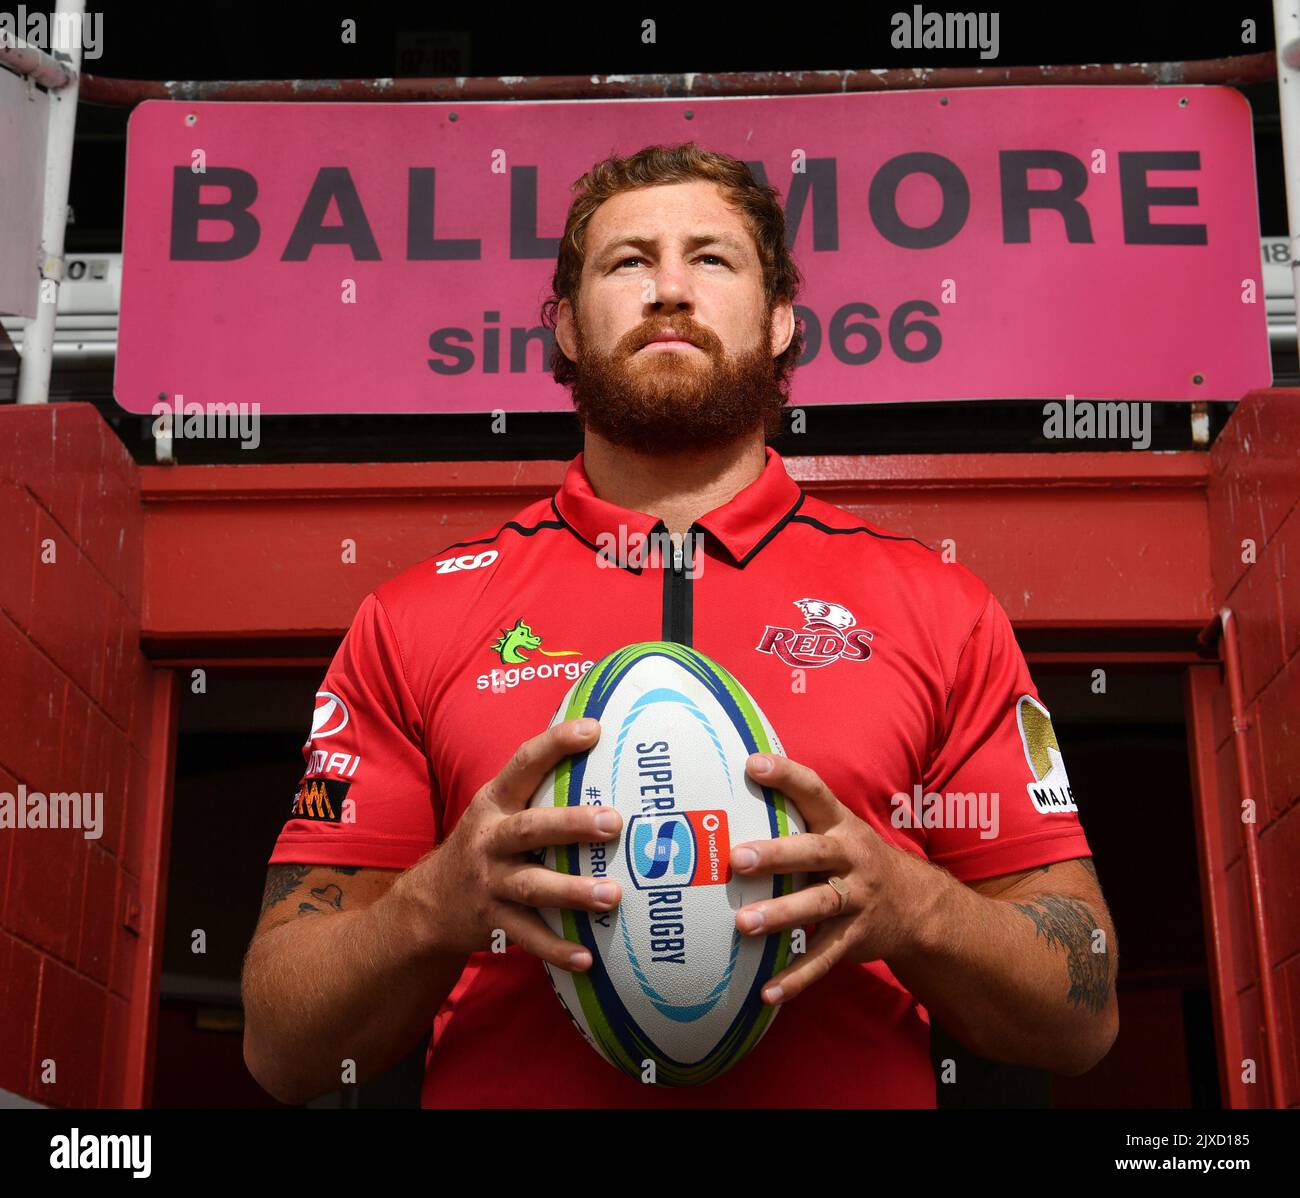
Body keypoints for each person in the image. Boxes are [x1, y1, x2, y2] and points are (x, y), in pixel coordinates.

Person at [241, 142, 1118, 1108]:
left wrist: (915, 909)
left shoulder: (937, 607)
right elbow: (282, 1047)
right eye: (627, 262)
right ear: (568, 328)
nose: (668, 289)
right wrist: (429, 908)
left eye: (711, 258)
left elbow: (1083, 1011)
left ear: (780, 319)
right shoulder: (415, 620)